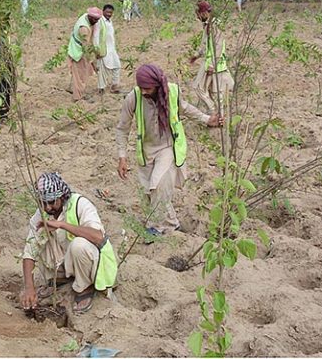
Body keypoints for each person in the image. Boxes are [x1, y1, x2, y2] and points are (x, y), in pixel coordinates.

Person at [116, 64, 221, 237]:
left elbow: (186, 109)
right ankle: (173, 224)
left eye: (148, 88)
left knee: (158, 184)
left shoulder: (172, 92)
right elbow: (122, 128)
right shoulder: (133, 98)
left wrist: (207, 119)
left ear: (157, 85)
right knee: (151, 193)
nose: (144, 92)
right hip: (146, 151)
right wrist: (122, 156)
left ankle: (153, 228)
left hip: (167, 147)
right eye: (141, 88)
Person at [19, 172, 117, 314]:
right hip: (64, 261)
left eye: (52, 202)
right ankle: (58, 280)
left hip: (88, 260)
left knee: (79, 245)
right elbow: (29, 251)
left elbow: (98, 237)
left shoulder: (80, 204)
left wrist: (62, 225)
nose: (47, 208)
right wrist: (29, 287)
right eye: (43, 203)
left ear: (61, 196)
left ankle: (84, 287)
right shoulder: (41, 213)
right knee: (39, 236)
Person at [190, 1, 234, 116]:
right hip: (210, 62)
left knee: (204, 89)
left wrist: (212, 64)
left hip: (215, 64)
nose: (197, 17)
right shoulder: (207, 26)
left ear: (204, 13)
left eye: (198, 13)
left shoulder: (215, 26)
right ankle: (216, 114)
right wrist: (196, 55)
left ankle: (215, 113)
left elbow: (218, 46)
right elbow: (205, 45)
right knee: (210, 90)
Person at [67, 7, 101, 102]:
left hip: (80, 47)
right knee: (80, 75)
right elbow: (86, 48)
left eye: (97, 19)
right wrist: (92, 62)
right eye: (94, 19)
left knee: (78, 73)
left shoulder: (86, 18)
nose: (95, 21)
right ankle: (78, 97)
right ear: (89, 16)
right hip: (78, 51)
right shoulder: (84, 28)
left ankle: (72, 88)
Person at [93, 4, 121, 95]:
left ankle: (114, 85)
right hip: (103, 49)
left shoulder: (109, 21)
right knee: (103, 69)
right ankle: (101, 88)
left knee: (117, 66)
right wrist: (97, 49)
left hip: (112, 49)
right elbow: (96, 36)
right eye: (107, 12)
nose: (109, 14)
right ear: (103, 11)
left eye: (111, 12)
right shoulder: (99, 22)